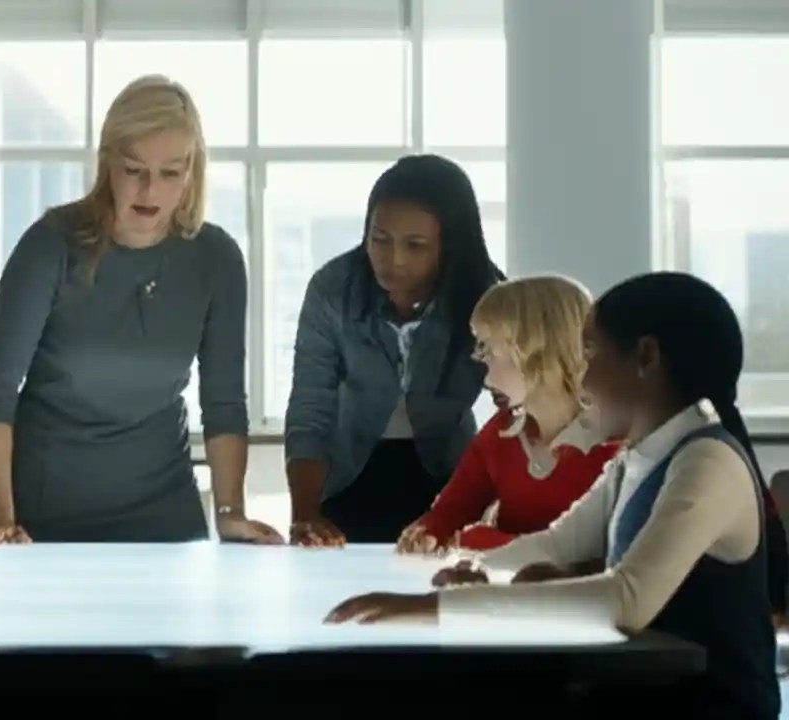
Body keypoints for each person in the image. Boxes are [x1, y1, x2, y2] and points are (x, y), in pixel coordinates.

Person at [325, 271, 787, 719]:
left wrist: (434, 609)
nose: (582, 382)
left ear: (646, 357)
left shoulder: (706, 461)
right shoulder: (634, 459)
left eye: (591, 355)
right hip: (646, 696)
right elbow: (558, 542)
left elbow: (626, 597)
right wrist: (473, 569)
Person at [0, 74, 282, 544]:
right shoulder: (50, 245)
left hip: (165, 516)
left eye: (171, 172)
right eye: (135, 169)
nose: (150, 191)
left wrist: (231, 511)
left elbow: (224, 404)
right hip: (45, 520)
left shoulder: (216, 259)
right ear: (107, 163)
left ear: (193, 172)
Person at [284, 154, 504, 546]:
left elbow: (516, 405)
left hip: (448, 474)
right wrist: (305, 513)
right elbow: (311, 407)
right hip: (347, 472)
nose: (393, 260)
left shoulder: (486, 295)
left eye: (415, 245)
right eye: (379, 239)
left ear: (449, 246)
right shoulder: (333, 290)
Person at [395, 275, 621, 553]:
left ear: (536, 352)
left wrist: (491, 542)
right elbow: (451, 511)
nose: (484, 372)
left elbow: (599, 554)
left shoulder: (616, 442)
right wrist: (429, 532)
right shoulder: (501, 433)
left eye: (488, 350)